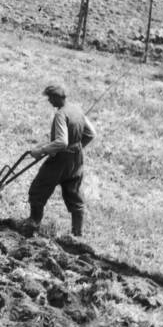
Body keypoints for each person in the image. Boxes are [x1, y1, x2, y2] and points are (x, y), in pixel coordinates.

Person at [25, 83, 96, 238]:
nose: (50, 102)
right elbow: (91, 134)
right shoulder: (77, 110)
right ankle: (77, 233)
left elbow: (61, 142)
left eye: (50, 98)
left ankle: (33, 223)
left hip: (60, 161)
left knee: (38, 189)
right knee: (73, 193)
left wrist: (41, 150)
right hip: (77, 160)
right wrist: (76, 147)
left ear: (57, 98)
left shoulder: (61, 115)